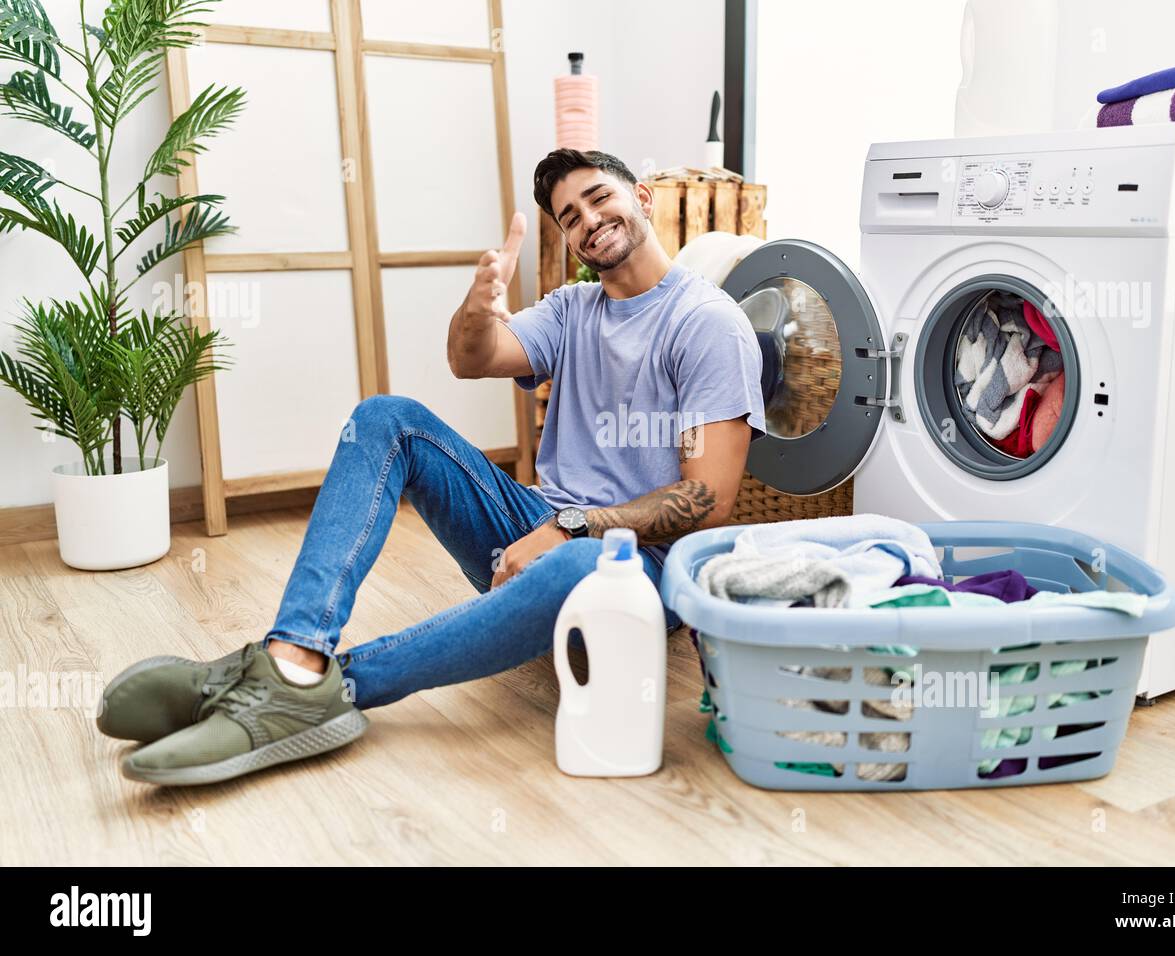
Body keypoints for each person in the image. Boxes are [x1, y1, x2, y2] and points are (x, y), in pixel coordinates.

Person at [98, 149, 766, 786]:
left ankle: (317, 687)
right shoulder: (572, 309)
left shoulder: (706, 323)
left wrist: (568, 527)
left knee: (571, 563)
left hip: (631, 565)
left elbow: (707, 498)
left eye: (600, 199)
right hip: (532, 533)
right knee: (386, 417)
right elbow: (471, 358)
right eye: (571, 217)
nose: (589, 222)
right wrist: (478, 308)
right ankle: (294, 653)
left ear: (641, 198)